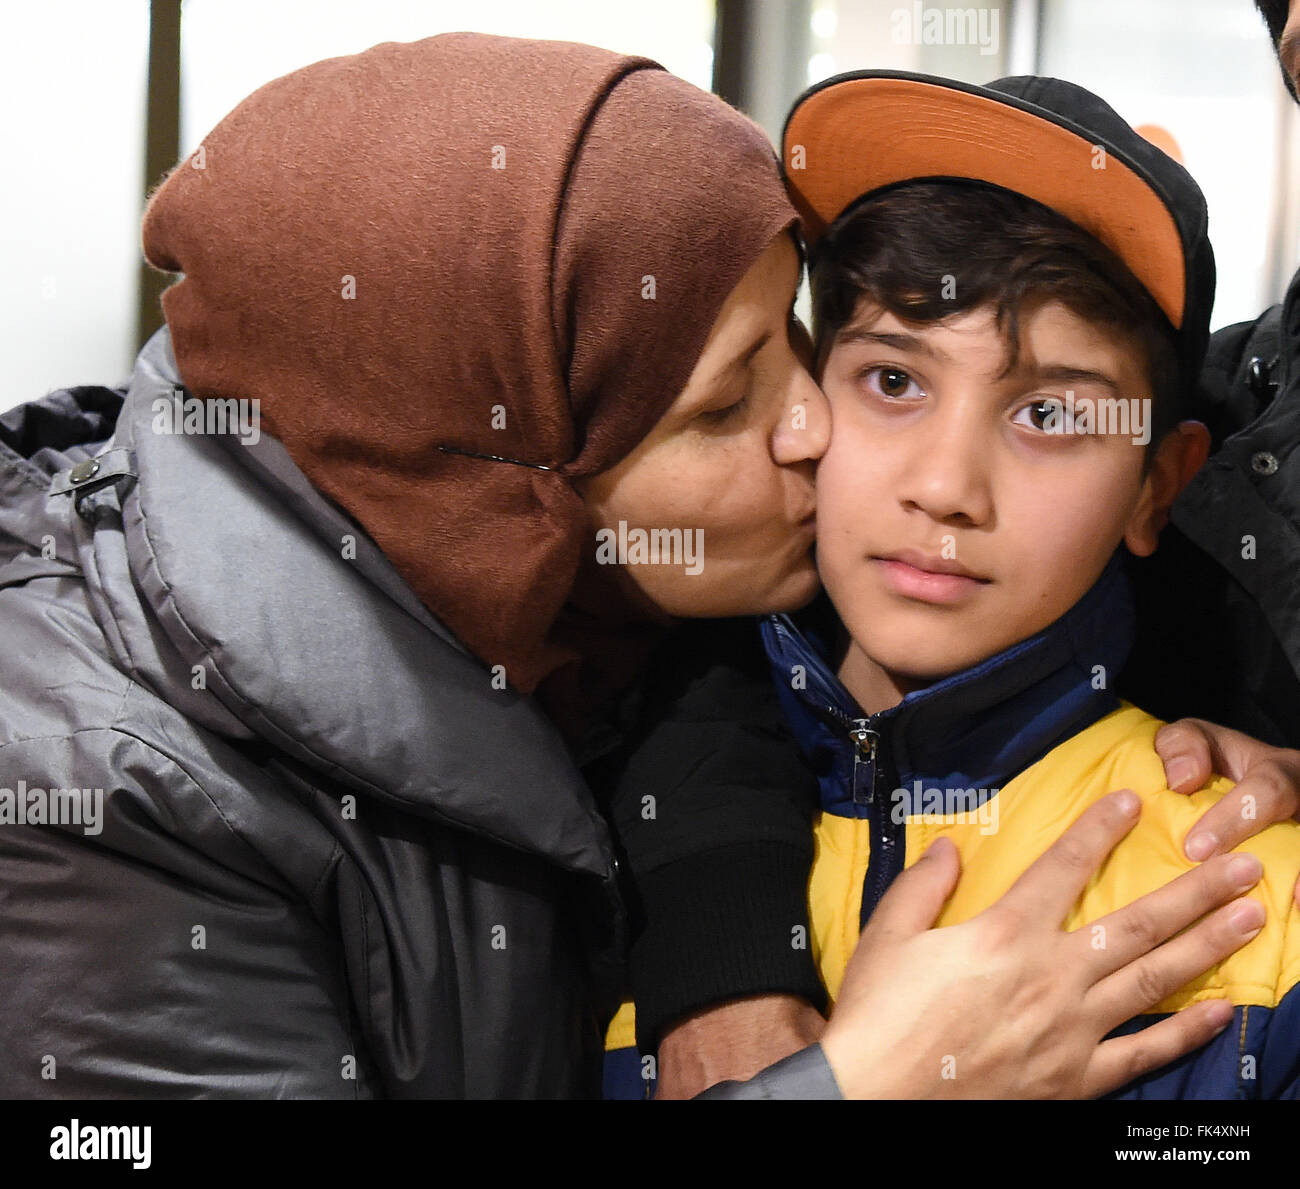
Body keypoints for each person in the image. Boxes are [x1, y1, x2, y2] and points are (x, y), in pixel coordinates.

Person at [0, 31, 1283, 1100]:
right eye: (729, 405)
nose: (822, 431)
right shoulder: (103, 789)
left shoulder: (588, 642)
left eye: (793, 344)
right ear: (506, 485)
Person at [606, 70, 1300, 1099]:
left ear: (1158, 486)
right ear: (802, 394)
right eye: (893, 380)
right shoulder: (597, 833)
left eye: (1052, 417)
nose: (943, 488)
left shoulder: (1247, 890)